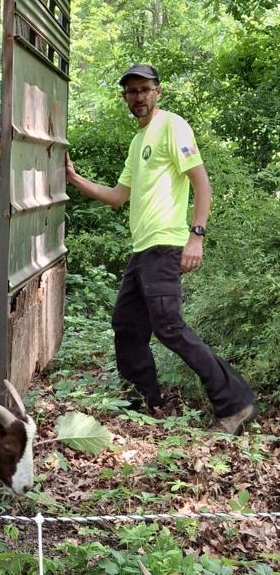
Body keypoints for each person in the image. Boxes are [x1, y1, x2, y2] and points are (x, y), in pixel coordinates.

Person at [65, 62, 257, 435]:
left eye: (144, 90)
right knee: (126, 324)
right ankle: (145, 402)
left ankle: (235, 403)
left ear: (158, 92)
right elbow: (118, 197)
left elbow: (202, 183)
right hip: (143, 251)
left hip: (166, 245)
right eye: (131, 91)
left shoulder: (172, 126)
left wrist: (196, 236)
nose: (138, 97)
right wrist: (73, 178)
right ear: (125, 97)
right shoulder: (139, 142)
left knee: (169, 327)